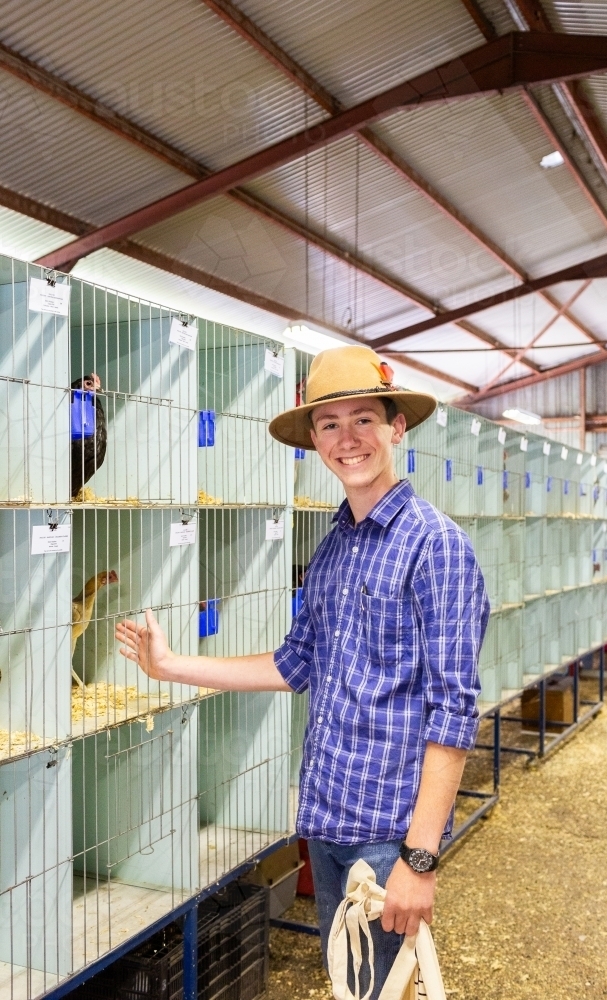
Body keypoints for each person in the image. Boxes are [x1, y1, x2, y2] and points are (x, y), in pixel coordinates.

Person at [116, 345, 489, 999]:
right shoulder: (334, 542)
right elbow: (295, 665)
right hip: (328, 823)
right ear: (313, 440)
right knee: (352, 987)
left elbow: (452, 712)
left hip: (387, 835)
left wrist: (419, 861)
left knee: (384, 988)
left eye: (363, 420)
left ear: (396, 426)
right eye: (329, 424)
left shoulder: (436, 547)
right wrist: (172, 665)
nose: (347, 439)